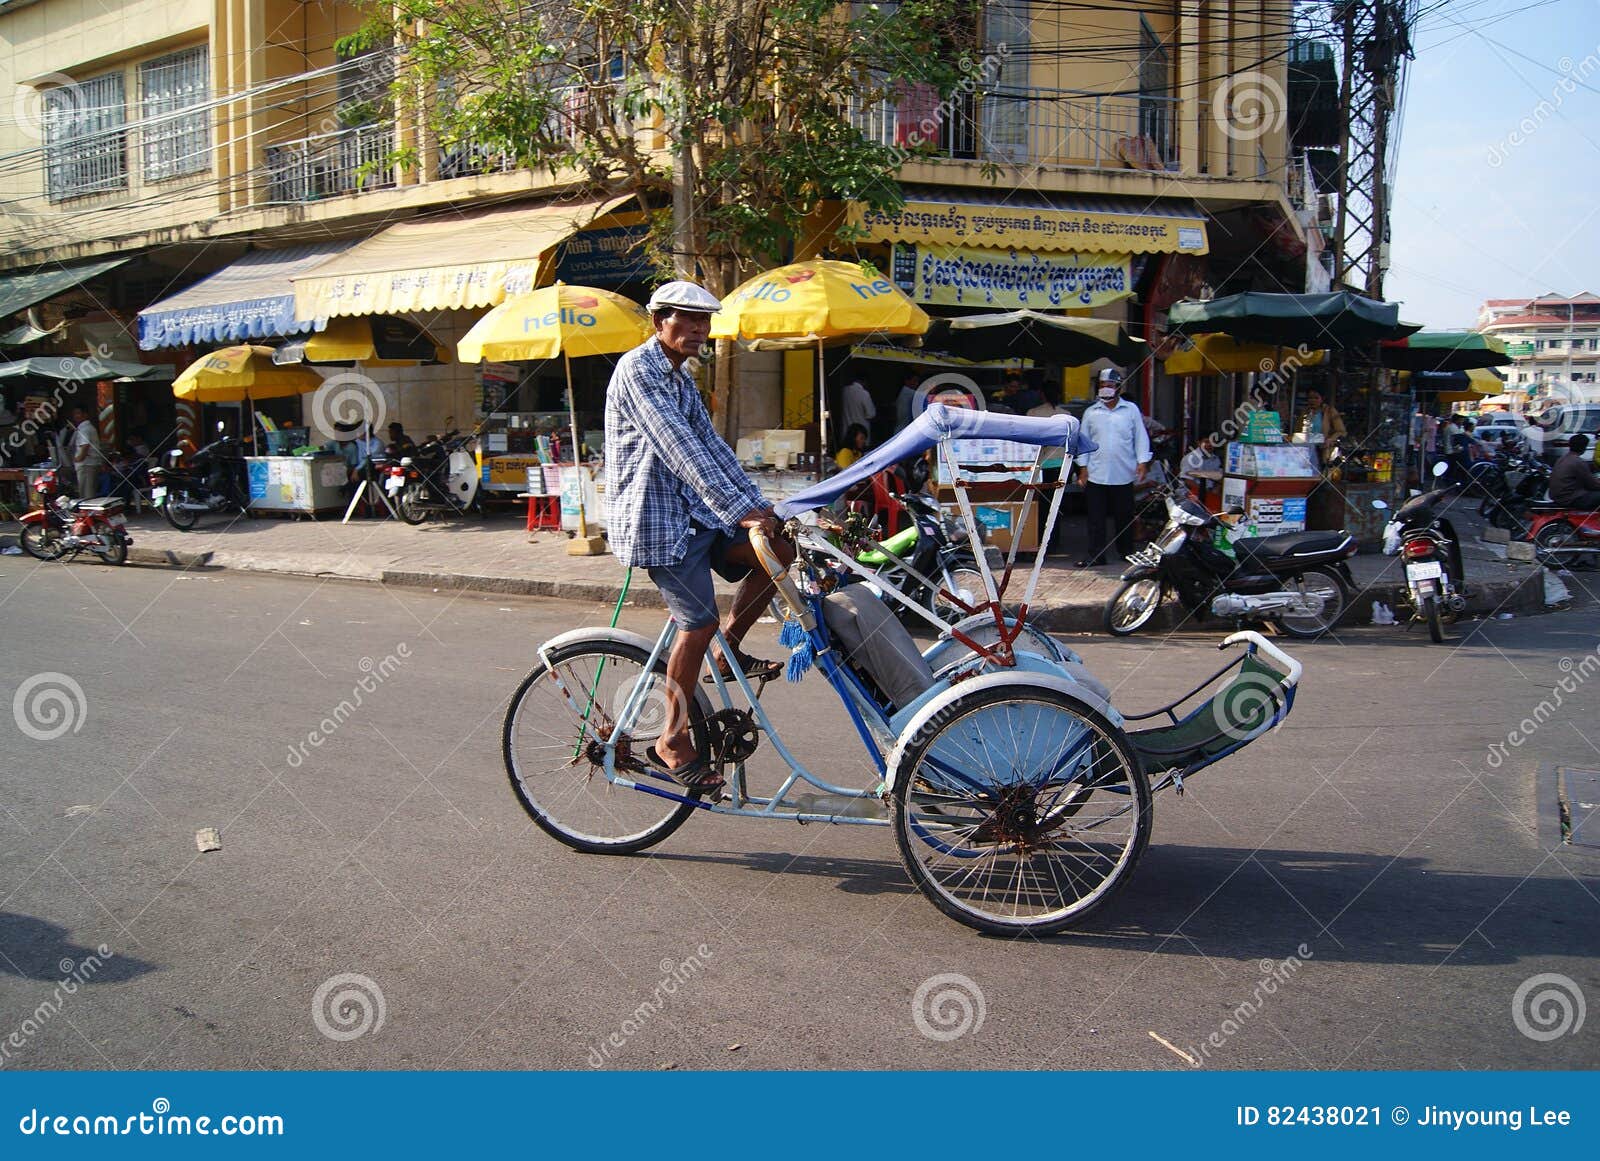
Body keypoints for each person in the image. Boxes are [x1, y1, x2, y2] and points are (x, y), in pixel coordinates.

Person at [606, 280, 796, 789]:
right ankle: (670, 738)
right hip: (657, 522)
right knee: (698, 619)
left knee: (780, 550)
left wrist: (762, 508)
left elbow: (713, 450)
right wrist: (739, 511)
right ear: (657, 323)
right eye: (685, 320)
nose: (697, 330)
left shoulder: (682, 380)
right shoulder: (638, 372)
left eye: (704, 322)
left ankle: (726, 650)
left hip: (698, 516)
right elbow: (680, 451)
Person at [1076, 367, 1150, 568]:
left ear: (1118, 387)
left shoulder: (1131, 410)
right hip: (1096, 473)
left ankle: (1126, 552)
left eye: (1109, 385)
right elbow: (1084, 442)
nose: (1105, 388)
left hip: (1123, 473)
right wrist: (1083, 467)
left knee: (1124, 516)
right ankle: (1096, 555)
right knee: (1095, 518)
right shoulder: (1091, 413)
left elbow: (1140, 437)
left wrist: (1143, 462)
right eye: (1102, 385)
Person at [1550, 433, 1600, 508]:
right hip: (1571, 499)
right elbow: (1593, 485)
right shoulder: (1578, 462)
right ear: (1584, 447)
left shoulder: (1561, 459)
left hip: (1557, 497)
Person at [1299, 389, 1346, 462]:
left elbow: (1341, 431)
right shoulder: (1305, 412)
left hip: (1324, 450)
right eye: (1310, 398)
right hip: (1306, 450)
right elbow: (1298, 430)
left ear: (1322, 399)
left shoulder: (1329, 411)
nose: (1312, 400)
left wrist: (1330, 439)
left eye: (1316, 398)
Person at [69, 406, 102, 500]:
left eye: (78, 413)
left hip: (86, 465)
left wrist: (78, 458)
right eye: (75, 413)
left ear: (85, 415)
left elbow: (85, 445)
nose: (76, 416)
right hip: (87, 464)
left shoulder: (85, 428)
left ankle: (89, 514)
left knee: (87, 494)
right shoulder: (84, 428)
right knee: (86, 492)